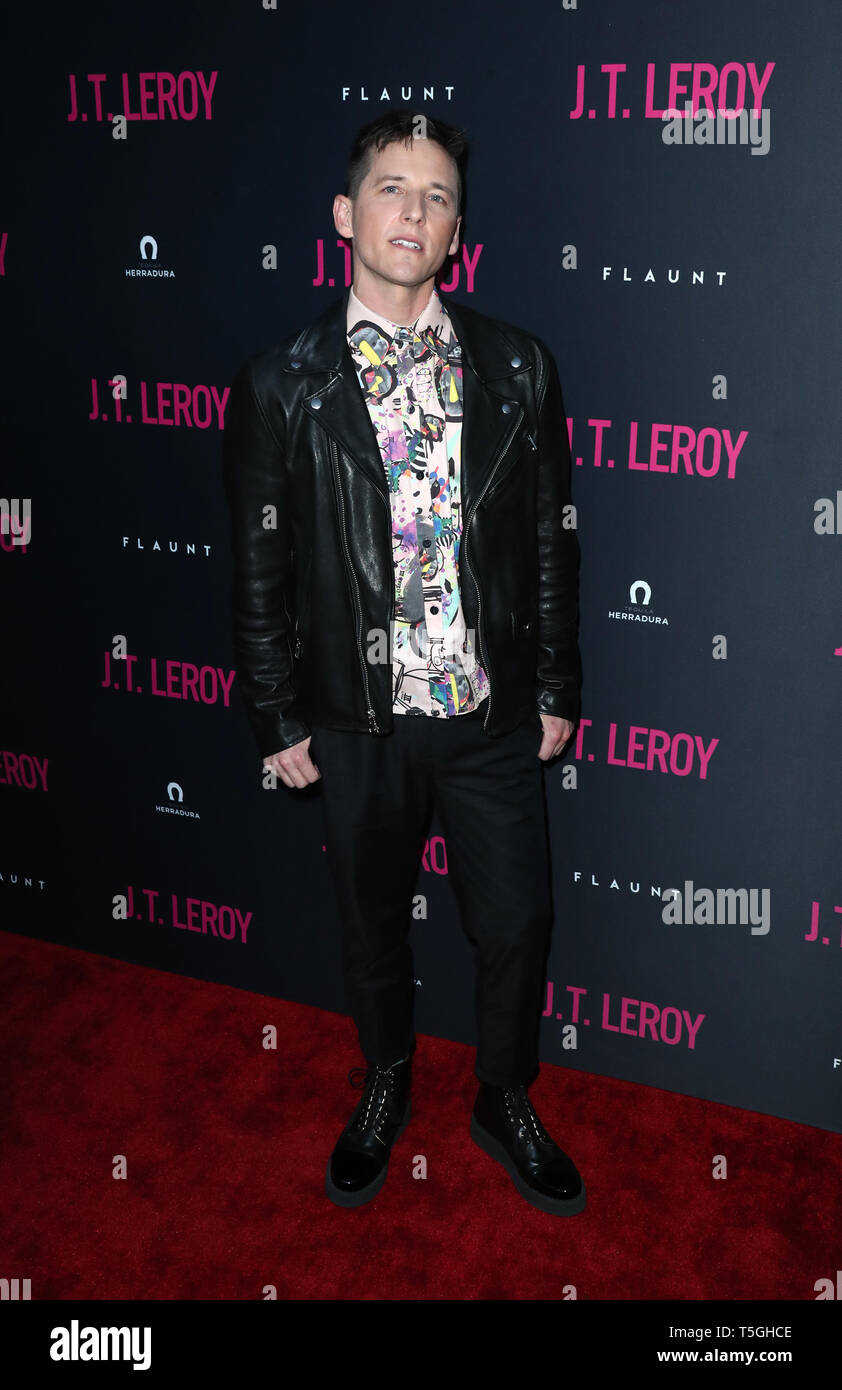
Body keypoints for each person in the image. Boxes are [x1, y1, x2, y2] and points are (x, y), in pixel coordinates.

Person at [221, 110, 585, 1217]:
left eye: (433, 198)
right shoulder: (281, 385)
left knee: (517, 921)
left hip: (485, 714)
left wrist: (556, 687)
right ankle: (384, 1082)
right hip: (355, 715)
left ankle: (501, 1094)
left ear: (456, 231)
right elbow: (256, 567)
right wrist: (277, 716)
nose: (411, 212)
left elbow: (549, 544)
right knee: (371, 921)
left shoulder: (517, 367)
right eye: (390, 189)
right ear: (345, 214)